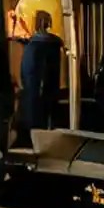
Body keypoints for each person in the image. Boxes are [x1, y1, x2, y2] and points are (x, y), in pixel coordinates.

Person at [17, 10, 64, 148]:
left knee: (31, 93)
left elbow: (26, 77)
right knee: (50, 92)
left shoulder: (32, 45)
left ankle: (32, 131)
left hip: (34, 57)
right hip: (50, 57)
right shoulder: (55, 43)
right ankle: (48, 125)